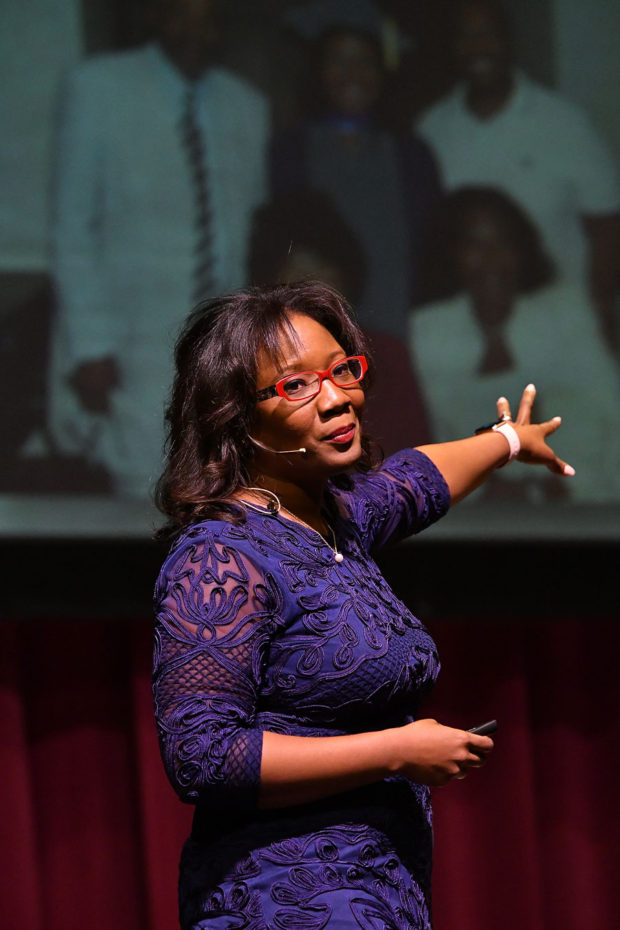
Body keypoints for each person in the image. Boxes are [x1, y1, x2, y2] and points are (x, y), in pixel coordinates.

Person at [153, 281, 574, 928]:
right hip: (281, 901)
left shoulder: (335, 522)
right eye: (297, 386)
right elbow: (203, 757)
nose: (336, 399)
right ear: (235, 414)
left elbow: (416, 480)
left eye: (341, 371)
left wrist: (509, 442)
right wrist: (394, 751)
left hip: (382, 892)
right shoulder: (220, 558)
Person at [48, 0, 268, 498]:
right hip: (130, 340)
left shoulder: (246, 105)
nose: (196, 25)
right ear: (154, 14)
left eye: (209, 14)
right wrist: (91, 346)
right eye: (181, 11)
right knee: (143, 488)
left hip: (221, 344)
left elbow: (252, 227)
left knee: (222, 486)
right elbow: (72, 228)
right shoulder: (99, 88)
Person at [416, 0, 620, 352]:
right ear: (451, 48)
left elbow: (606, 224)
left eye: (488, 35)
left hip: (562, 325)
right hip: (470, 335)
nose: (478, 47)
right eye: (466, 37)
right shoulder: (431, 130)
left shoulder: (565, 123)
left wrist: (598, 305)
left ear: (510, 42)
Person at [409, 186, 620, 503]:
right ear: (450, 252)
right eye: (474, 245)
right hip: (476, 513)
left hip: (588, 499)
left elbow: (610, 415)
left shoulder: (567, 313)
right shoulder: (429, 330)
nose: (491, 259)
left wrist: (567, 488)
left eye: (503, 243)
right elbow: (435, 440)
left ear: (523, 250)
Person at [270, 21, 441, 341]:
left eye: (364, 61)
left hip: (401, 330)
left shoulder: (412, 154)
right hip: (318, 328)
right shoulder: (290, 151)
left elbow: (430, 247)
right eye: (338, 61)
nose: (352, 73)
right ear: (319, 71)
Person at [248, 187, 431, 453]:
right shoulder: (256, 365)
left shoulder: (386, 355)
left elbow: (416, 456)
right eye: (298, 275)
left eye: (323, 268)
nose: (314, 289)